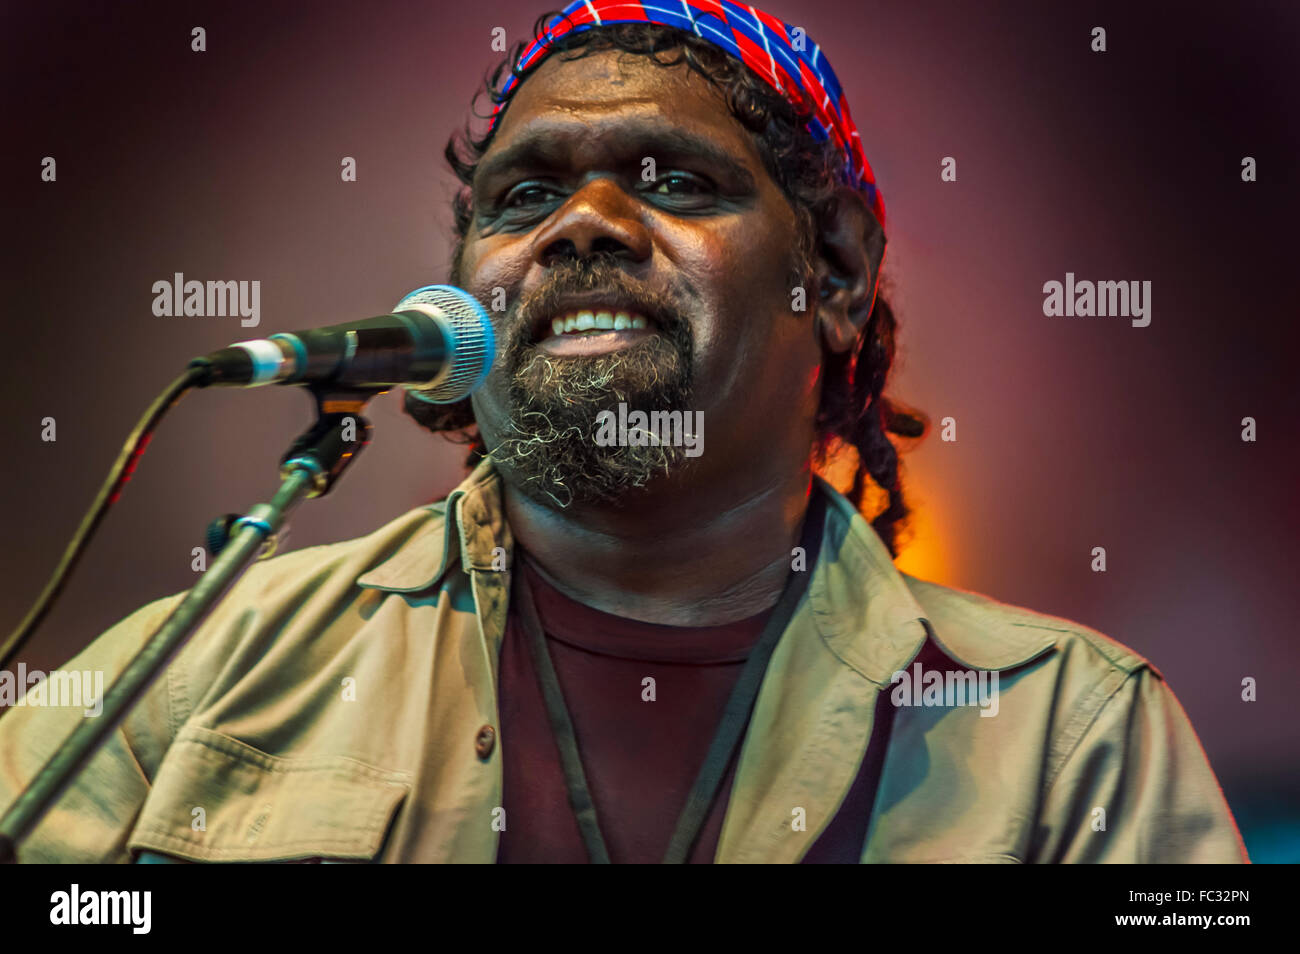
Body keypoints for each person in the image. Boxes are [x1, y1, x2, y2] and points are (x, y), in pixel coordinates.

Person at [0, 0, 1248, 863]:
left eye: (671, 181)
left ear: (839, 274)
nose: (579, 227)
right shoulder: (192, 679)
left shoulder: (1071, 729)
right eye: (526, 194)